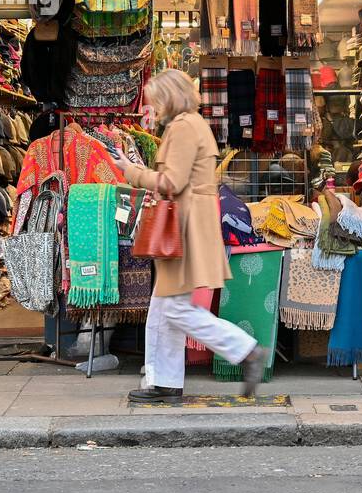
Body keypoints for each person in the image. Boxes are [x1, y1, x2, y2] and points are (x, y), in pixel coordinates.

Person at [108, 69, 265, 402]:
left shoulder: (181, 128)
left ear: (169, 96)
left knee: (175, 309)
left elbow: (172, 183)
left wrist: (130, 171)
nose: (154, 106)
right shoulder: (197, 124)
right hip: (190, 223)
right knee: (163, 307)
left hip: (183, 227)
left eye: (157, 99)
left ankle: (246, 351)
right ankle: (165, 383)